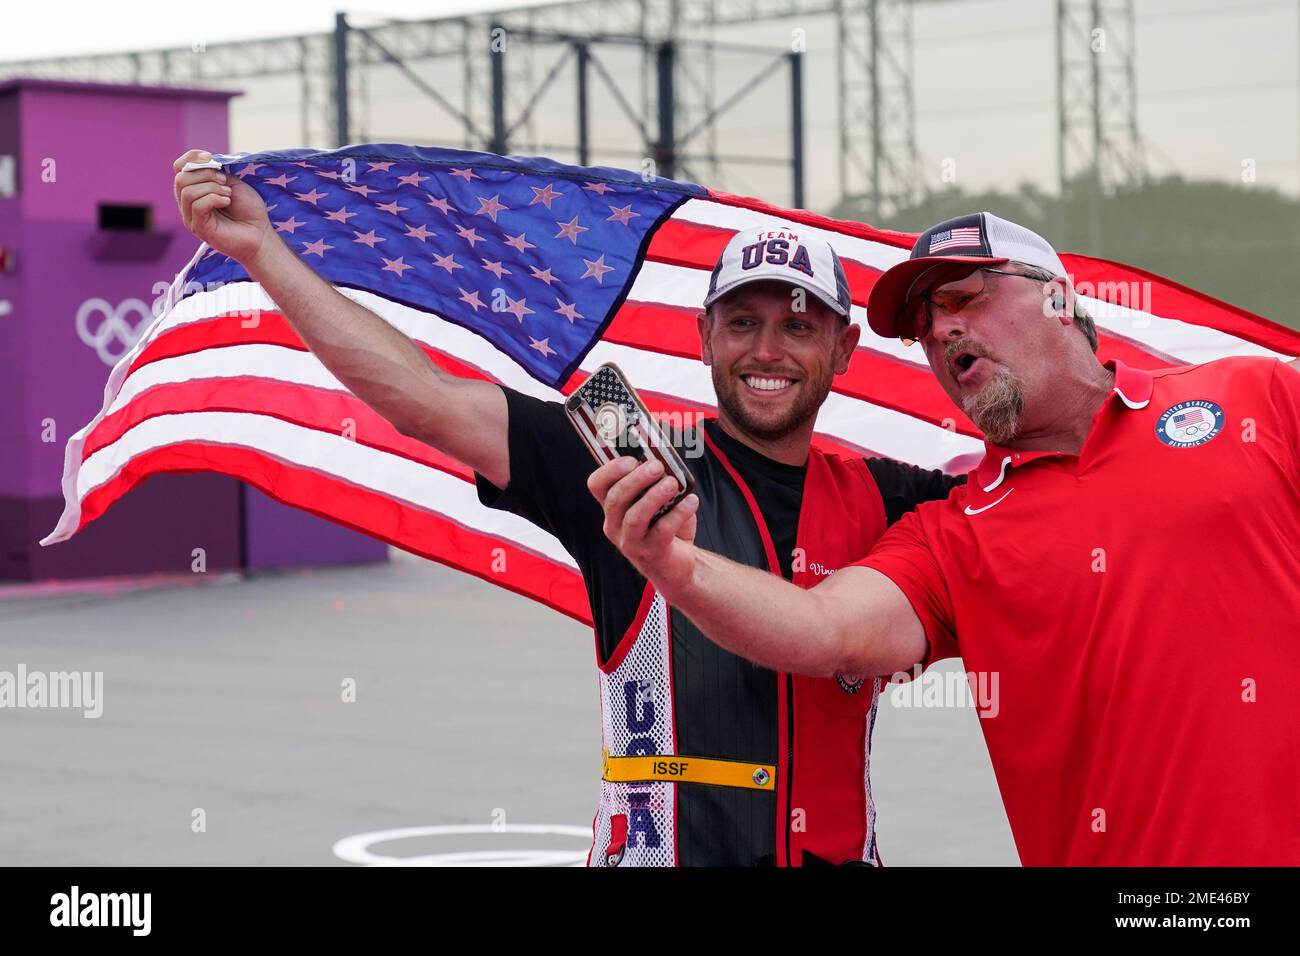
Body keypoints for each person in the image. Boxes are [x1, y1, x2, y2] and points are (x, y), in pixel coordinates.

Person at [172, 148, 963, 867]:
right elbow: (422, 399)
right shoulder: (635, 455)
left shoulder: (894, 497)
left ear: (845, 349)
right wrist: (262, 252)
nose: (767, 351)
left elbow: (1038, 504)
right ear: (703, 335)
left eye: (799, 325)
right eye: (743, 323)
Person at [590, 211, 1300, 866]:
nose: (940, 331)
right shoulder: (954, 532)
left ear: (1056, 296)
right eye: (924, 324)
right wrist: (676, 568)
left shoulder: (1256, 399)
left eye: (962, 298)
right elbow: (820, 628)